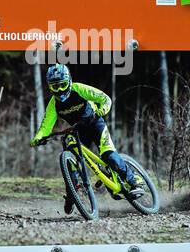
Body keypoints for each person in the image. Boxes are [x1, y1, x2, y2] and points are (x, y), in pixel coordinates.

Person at [30, 63, 135, 213]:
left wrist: (102, 110)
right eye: (55, 87)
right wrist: (37, 138)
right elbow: (46, 126)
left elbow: (105, 99)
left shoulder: (79, 89)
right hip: (78, 131)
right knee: (70, 156)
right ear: (49, 87)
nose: (59, 90)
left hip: (95, 124)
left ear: (70, 81)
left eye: (62, 85)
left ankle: (133, 179)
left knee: (108, 155)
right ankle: (72, 193)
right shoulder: (53, 104)